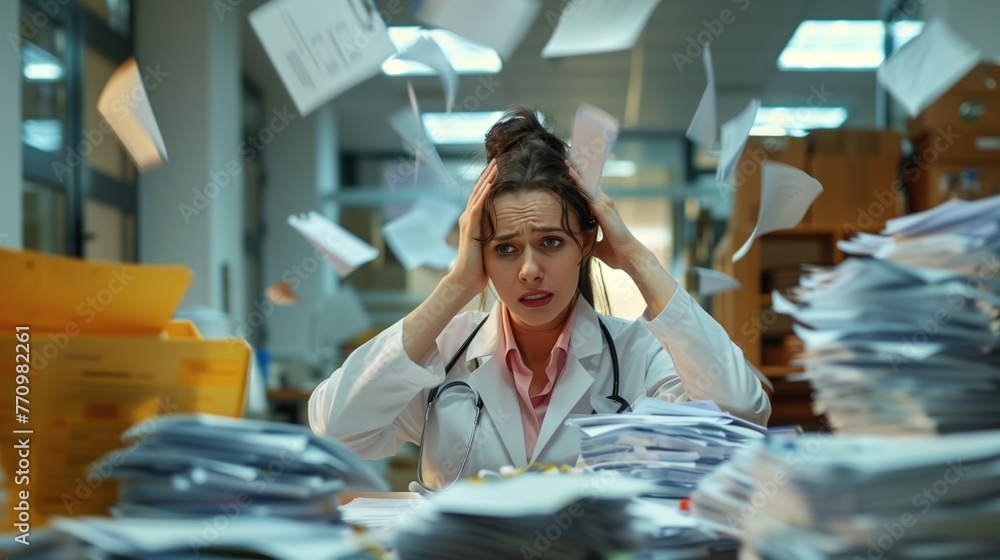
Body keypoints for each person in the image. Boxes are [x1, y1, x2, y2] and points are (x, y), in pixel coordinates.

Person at [309, 107, 770, 490]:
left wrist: (637, 259)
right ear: (480, 255)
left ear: (585, 244)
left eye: (551, 242)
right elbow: (337, 428)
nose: (529, 270)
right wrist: (456, 286)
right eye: (505, 249)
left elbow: (741, 417)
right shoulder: (444, 354)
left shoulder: (636, 355)